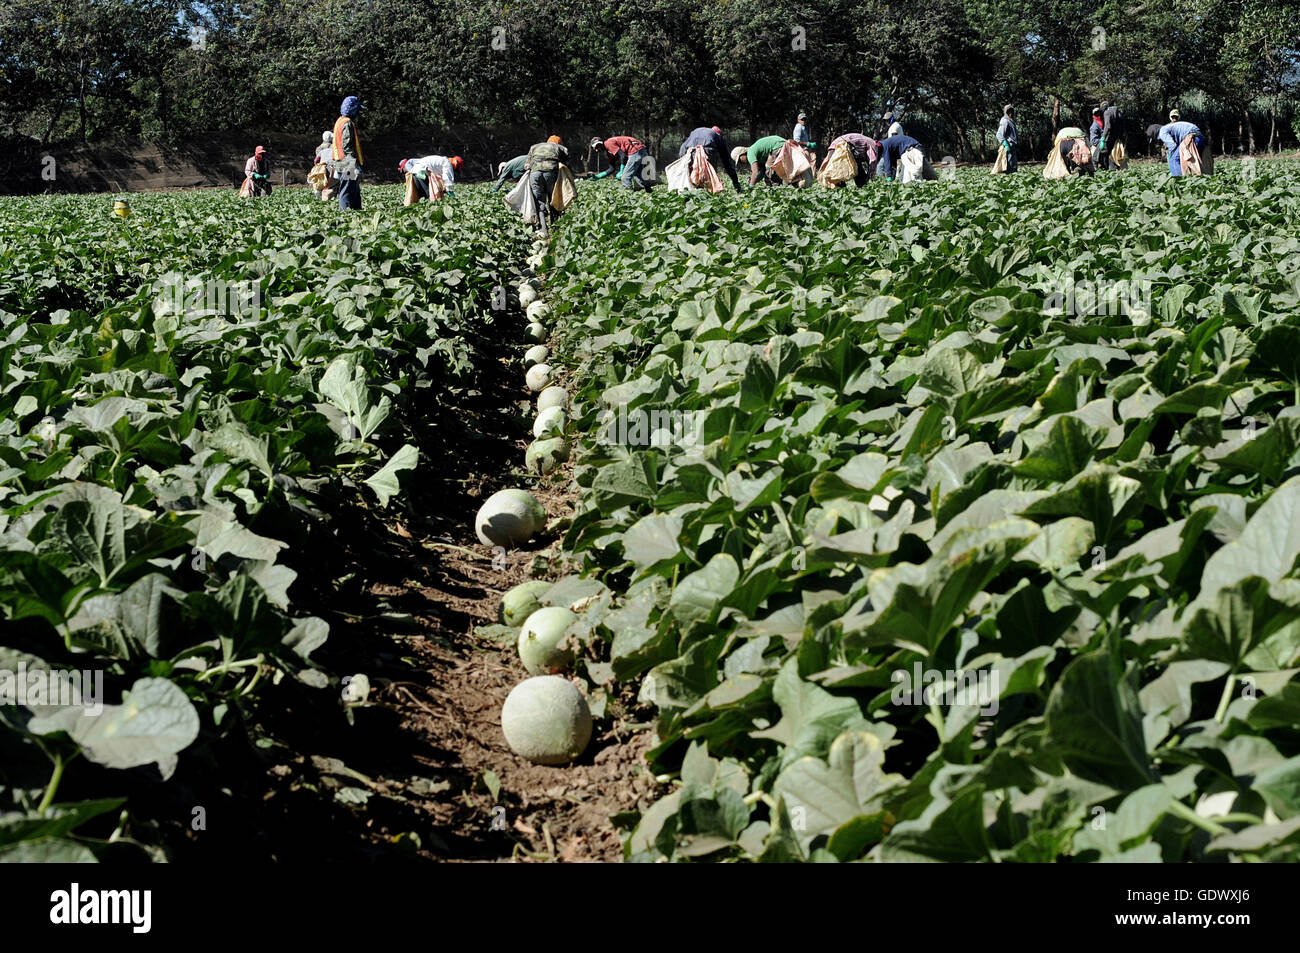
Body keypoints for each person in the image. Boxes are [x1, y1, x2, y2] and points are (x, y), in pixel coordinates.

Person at [522, 136, 570, 233]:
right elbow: (566, 163)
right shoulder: (560, 147)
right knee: (554, 198)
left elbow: (526, 165)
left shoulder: (534, 147)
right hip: (551, 172)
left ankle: (543, 229)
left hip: (535, 174)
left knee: (539, 201)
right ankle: (555, 225)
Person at [678, 125, 742, 190]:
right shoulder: (717, 136)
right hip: (708, 152)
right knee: (709, 175)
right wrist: (735, 181)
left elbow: (683, 148)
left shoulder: (696, 131)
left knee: (694, 175)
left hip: (691, 151)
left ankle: (694, 193)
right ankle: (708, 193)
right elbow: (726, 160)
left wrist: (683, 161)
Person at [331, 96, 365, 211]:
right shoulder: (347, 123)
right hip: (347, 162)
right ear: (353, 109)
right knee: (347, 188)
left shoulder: (339, 121)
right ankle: (345, 213)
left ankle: (356, 211)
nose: (358, 113)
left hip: (341, 161)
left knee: (353, 188)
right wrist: (353, 165)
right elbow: (347, 146)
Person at [1158, 110, 1209, 176]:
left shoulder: (1172, 126)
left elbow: (1172, 145)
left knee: (1175, 160)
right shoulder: (1176, 125)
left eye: (1175, 117)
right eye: (1173, 117)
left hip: (1189, 140)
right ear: (1170, 117)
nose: (1174, 119)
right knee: (1193, 160)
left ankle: (1180, 178)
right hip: (1196, 138)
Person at [398, 155, 463, 201]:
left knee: (420, 197)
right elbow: (447, 178)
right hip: (422, 173)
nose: (454, 170)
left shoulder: (440, 161)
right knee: (429, 195)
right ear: (456, 163)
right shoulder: (447, 163)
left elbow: (440, 178)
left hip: (416, 173)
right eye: (456, 169)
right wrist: (450, 191)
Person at [1099, 100, 1125, 170]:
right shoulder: (1117, 112)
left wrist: (1103, 137)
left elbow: (1108, 126)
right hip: (1118, 136)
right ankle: (1118, 168)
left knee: (1108, 154)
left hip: (1110, 137)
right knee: (1116, 152)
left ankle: (1111, 169)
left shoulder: (1107, 113)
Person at [310, 132, 335, 201]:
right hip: (332, 167)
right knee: (331, 183)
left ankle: (320, 196)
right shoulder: (333, 147)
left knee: (321, 182)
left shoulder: (318, 148)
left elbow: (316, 160)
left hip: (321, 168)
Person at [996, 105, 1017, 173]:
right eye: (1009, 112)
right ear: (1006, 113)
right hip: (1008, 145)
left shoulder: (1011, 121)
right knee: (1009, 163)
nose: (1011, 114)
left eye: (1012, 112)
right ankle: (1008, 177)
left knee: (1013, 164)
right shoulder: (1005, 121)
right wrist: (1005, 143)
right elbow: (999, 134)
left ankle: (1013, 177)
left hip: (1012, 145)